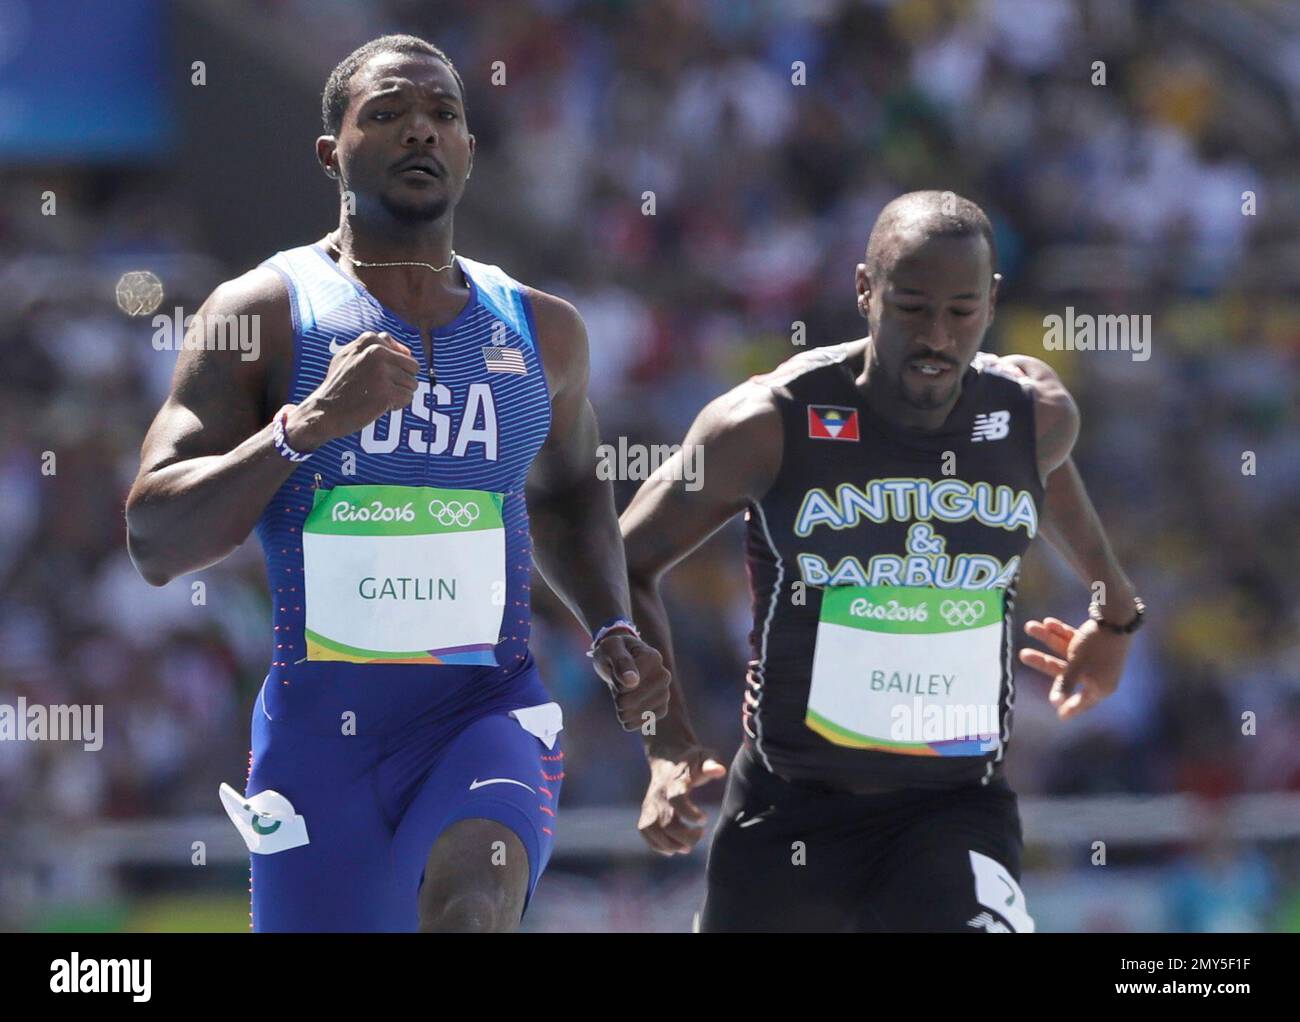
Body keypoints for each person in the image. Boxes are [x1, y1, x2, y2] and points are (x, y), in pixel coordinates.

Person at [125, 34, 669, 932]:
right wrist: (303, 429)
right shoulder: (262, 314)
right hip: (317, 748)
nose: (420, 131)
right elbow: (154, 540)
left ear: (468, 150)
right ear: (329, 151)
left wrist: (611, 622)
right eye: (386, 114)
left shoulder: (543, 332)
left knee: (470, 908)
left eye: (442, 116)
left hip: (486, 711)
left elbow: (572, 494)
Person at [622, 191, 1144, 932]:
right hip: (785, 814)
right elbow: (623, 565)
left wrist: (1115, 612)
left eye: (961, 313)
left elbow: (1047, 471)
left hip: (952, 812)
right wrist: (665, 741)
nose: (936, 337)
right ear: (864, 289)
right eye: (910, 307)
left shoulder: (1033, 413)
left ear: (991, 304)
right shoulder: (769, 425)